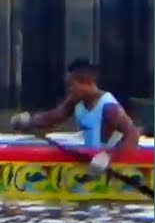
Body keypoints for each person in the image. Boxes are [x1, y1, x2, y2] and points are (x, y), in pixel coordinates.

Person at [11, 58, 141, 175]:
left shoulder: (110, 108)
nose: (69, 90)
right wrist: (29, 122)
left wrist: (108, 157)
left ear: (87, 83)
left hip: (105, 160)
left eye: (71, 85)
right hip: (91, 157)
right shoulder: (76, 99)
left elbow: (133, 134)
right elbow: (54, 117)